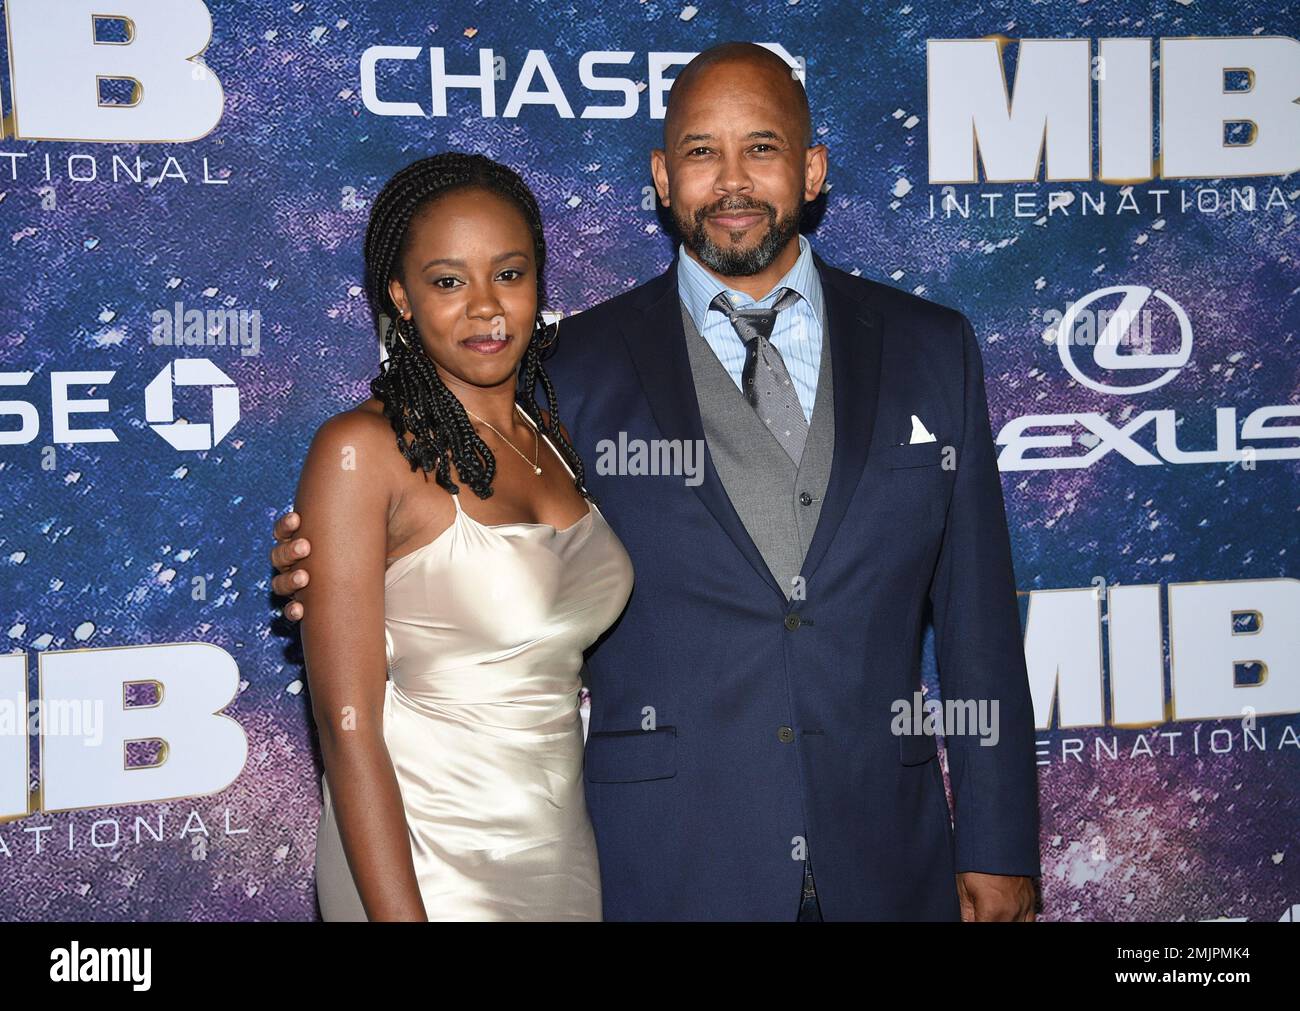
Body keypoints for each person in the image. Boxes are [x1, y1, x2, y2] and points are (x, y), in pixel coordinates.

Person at [274, 42, 1041, 921]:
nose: (732, 181)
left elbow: (979, 615)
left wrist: (998, 839)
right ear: (663, 178)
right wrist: (327, 560)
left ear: (813, 169)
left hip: (889, 853)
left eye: (762, 147)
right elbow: (428, 489)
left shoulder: (932, 348)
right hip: (664, 862)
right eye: (700, 152)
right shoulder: (562, 370)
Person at [293, 152, 633, 921]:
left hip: (558, 854)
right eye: (449, 281)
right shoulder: (360, 452)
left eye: (508, 274)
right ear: (399, 295)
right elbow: (346, 733)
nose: (485, 307)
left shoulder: (549, 436)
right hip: (425, 868)